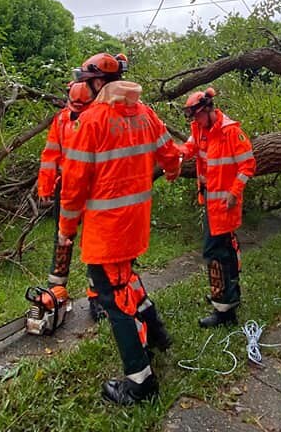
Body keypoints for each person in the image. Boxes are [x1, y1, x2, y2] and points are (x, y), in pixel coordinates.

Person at [59, 52, 181, 405]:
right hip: (135, 224)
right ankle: (157, 335)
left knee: (115, 300)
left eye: (86, 80)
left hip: (107, 232)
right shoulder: (145, 113)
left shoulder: (91, 121)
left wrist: (67, 228)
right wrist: (171, 171)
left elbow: (74, 185)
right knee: (127, 281)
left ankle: (140, 383)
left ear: (98, 83)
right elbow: (169, 153)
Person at [177, 88, 255, 327]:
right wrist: (169, 154)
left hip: (225, 204)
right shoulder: (199, 130)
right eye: (193, 118)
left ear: (208, 110)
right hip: (211, 201)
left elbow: (247, 165)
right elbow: (188, 150)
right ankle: (230, 295)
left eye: (197, 116)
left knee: (215, 253)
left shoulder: (231, 132)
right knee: (226, 252)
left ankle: (224, 311)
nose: (195, 121)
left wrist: (234, 193)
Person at [32, 81, 108, 322]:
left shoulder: (99, 119)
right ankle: (56, 290)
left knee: (94, 242)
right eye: (72, 105)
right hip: (67, 186)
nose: (76, 110)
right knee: (62, 238)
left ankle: (97, 295)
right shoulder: (62, 119)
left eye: (81, 106)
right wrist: (45, 184)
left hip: (95, 189)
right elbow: (50, 154)